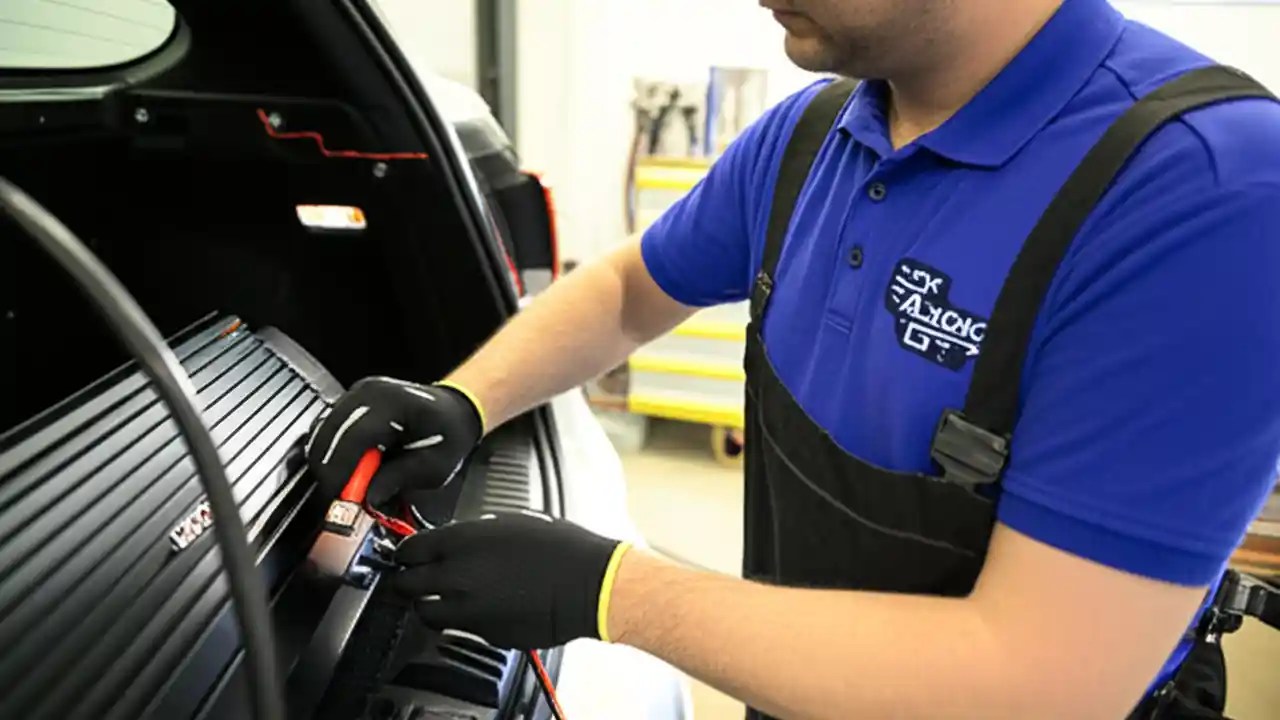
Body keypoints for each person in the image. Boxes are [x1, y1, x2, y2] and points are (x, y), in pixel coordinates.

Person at [306, 0, 1280, 717]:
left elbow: (1039, 682)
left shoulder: (1203, 189)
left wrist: (616, 592)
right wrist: (465, 399)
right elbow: (627, 289)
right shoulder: (812, 134)